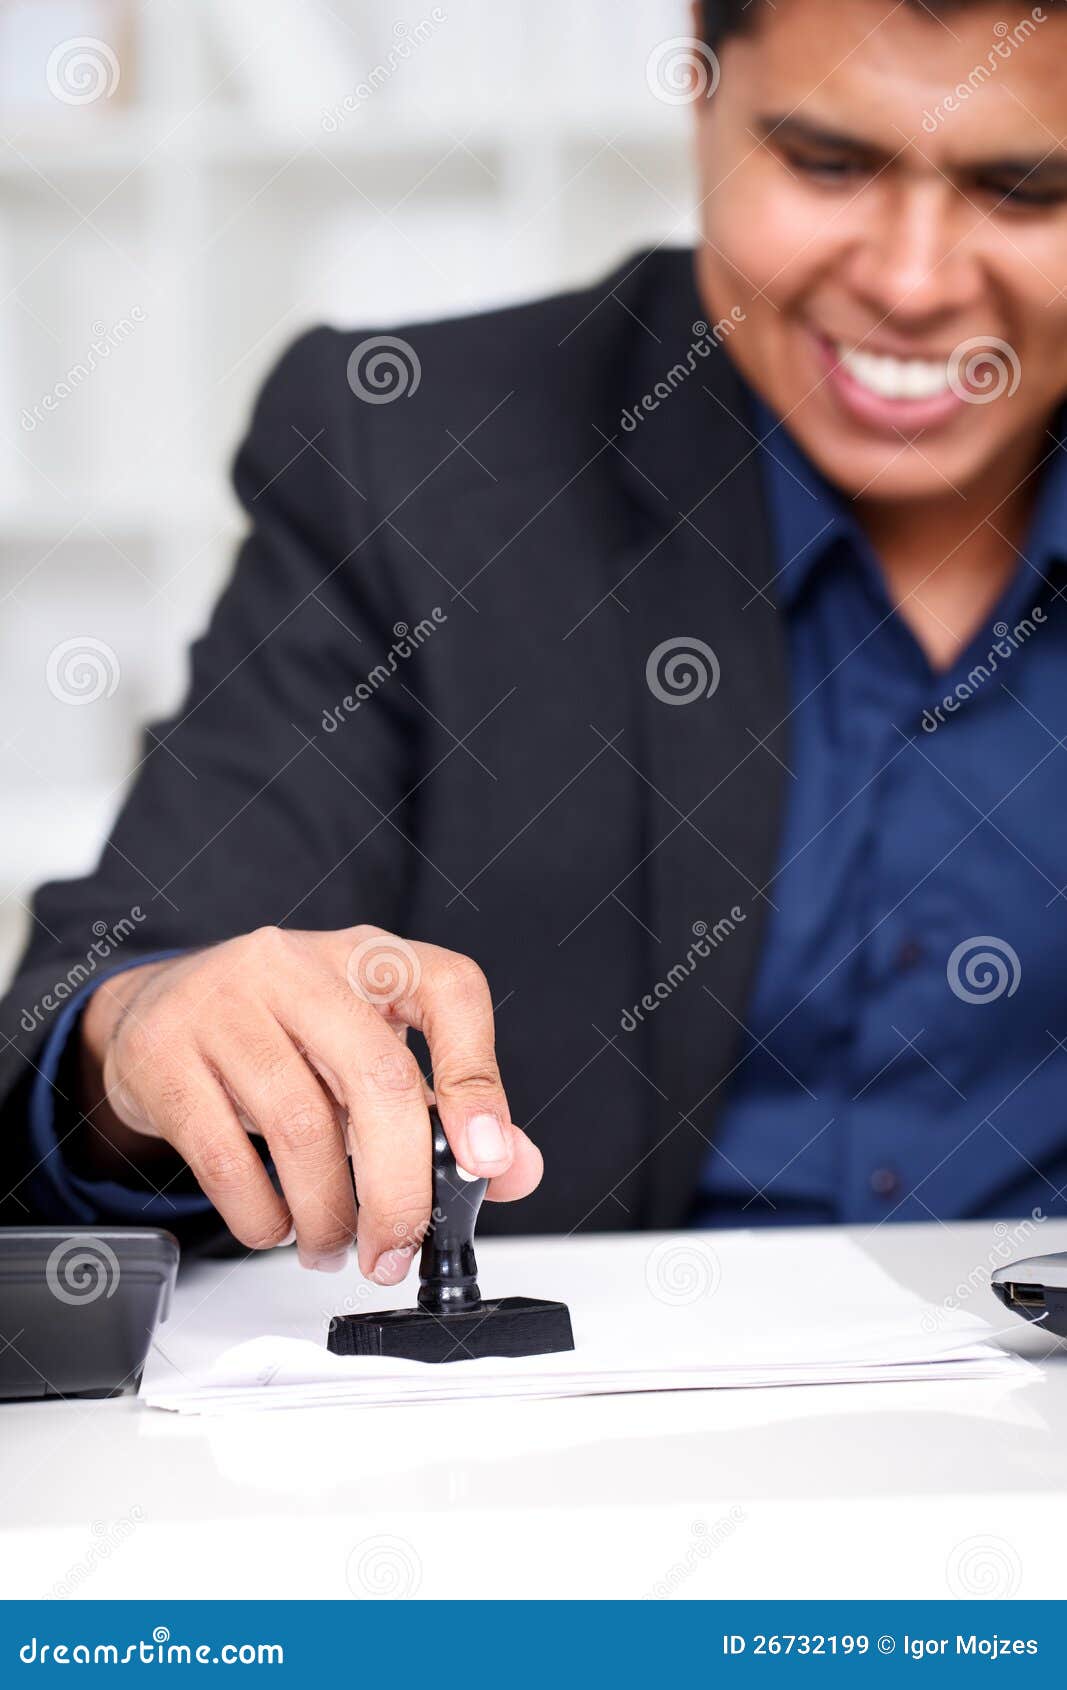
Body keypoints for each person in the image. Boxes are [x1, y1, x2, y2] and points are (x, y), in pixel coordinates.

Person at [3, 0, 1067, 1281]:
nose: (909, 281)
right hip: (564, 1461)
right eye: (825, 164)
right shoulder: (410, 465)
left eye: (1023, 189)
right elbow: (102, 1000)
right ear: (698, 92)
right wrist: (143, 1035)